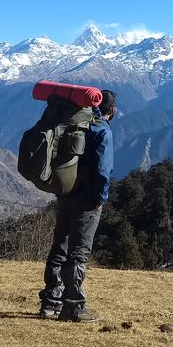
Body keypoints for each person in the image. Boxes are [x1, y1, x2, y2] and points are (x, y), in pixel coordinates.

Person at [38, 89, 116, 322]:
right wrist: (100, 199)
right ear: (112, 110)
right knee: (78, 254)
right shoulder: (102, 131)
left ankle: (50, 302)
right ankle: (73, 307)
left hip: (65, 193)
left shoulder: (74, 122)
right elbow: (103, 171)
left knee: (59, 248)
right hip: (87, 200)